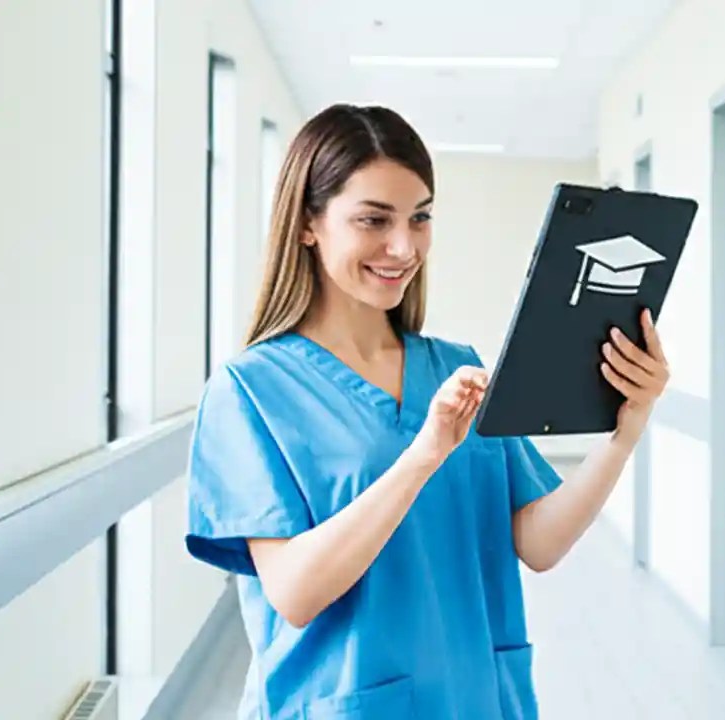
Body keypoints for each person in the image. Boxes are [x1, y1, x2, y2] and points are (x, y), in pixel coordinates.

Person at [184, 104, 670, 720]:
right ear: (309, 223)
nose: (403, 246)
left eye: (420, 218)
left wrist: (624, 433)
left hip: (479, 701)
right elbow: (295, 592)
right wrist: (423, 454)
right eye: (373, 220)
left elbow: (540, 543)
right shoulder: (249, 390)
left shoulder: (455, 367)